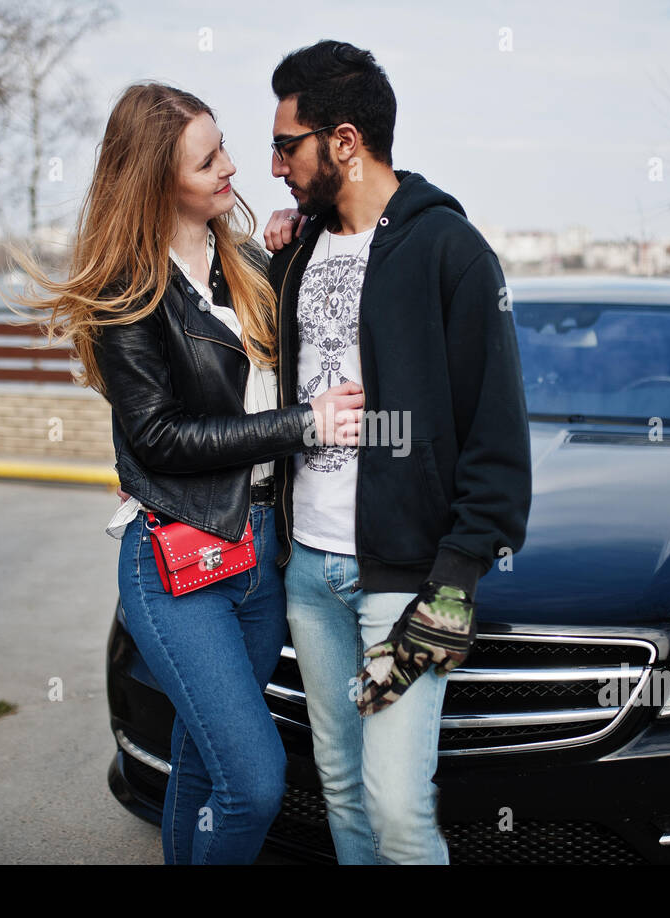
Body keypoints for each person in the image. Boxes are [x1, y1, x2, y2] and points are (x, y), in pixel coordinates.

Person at [11, 82, 364, 864]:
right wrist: (305, 425)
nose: (233, 168)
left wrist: (292, 242)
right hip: (178, 561)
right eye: (208, 161)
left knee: (203, 768)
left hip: (261, 554)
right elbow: (159, 434)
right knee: (257, 779)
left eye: (225, 147)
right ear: (155, 178)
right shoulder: (126, 294)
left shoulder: (242, 262)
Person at [260, 40, 532, 864]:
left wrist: (453, 581)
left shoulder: (449, 250)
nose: (275, 165)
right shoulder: (298, 251)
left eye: (287, 145)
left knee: (399, 809)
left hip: (402, 584)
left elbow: (496, 435)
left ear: (344, 141)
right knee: (339, 785)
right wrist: (275, 243)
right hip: (310, 569)